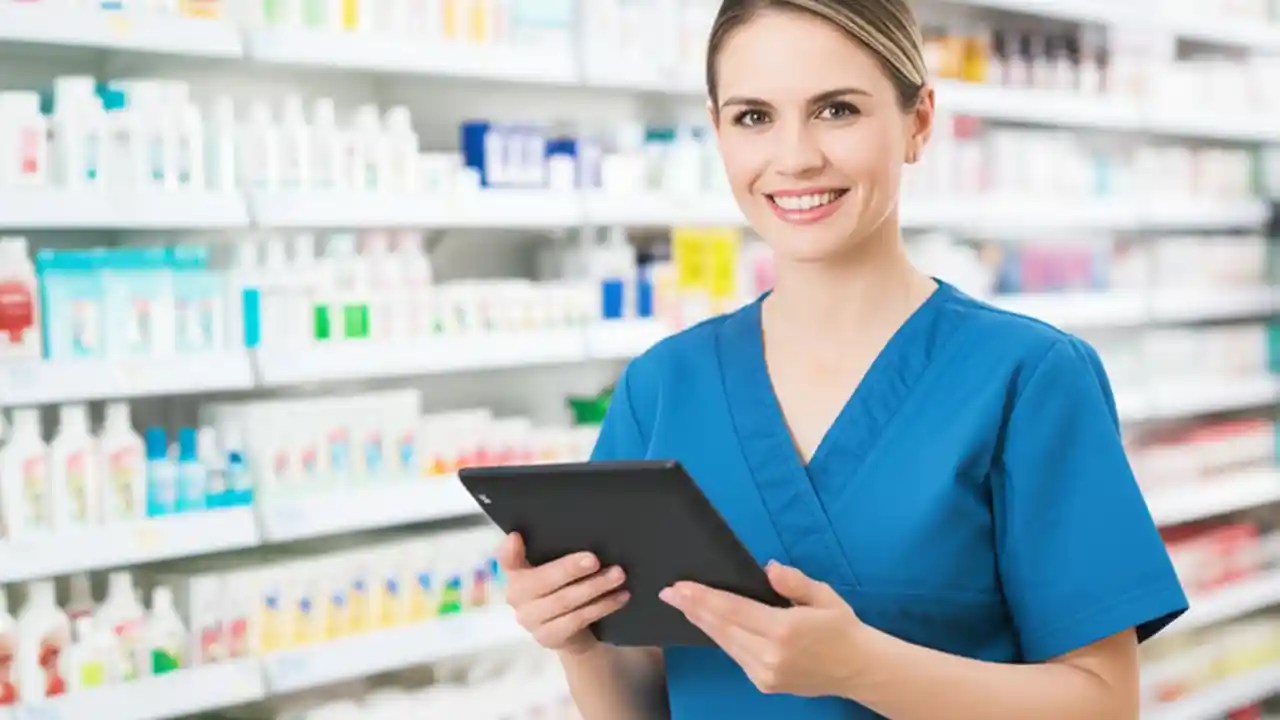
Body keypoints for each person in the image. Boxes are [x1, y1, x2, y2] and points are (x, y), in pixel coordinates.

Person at [496, 0, 1189, 717]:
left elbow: (1104, 704)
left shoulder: (1029, 378)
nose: (794, 157)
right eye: (754, 117)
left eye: (836, 110)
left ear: (918, 121)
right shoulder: (663, 387)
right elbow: (645, 705)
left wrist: (863, 668)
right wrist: (580, 642)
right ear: (718, 132)